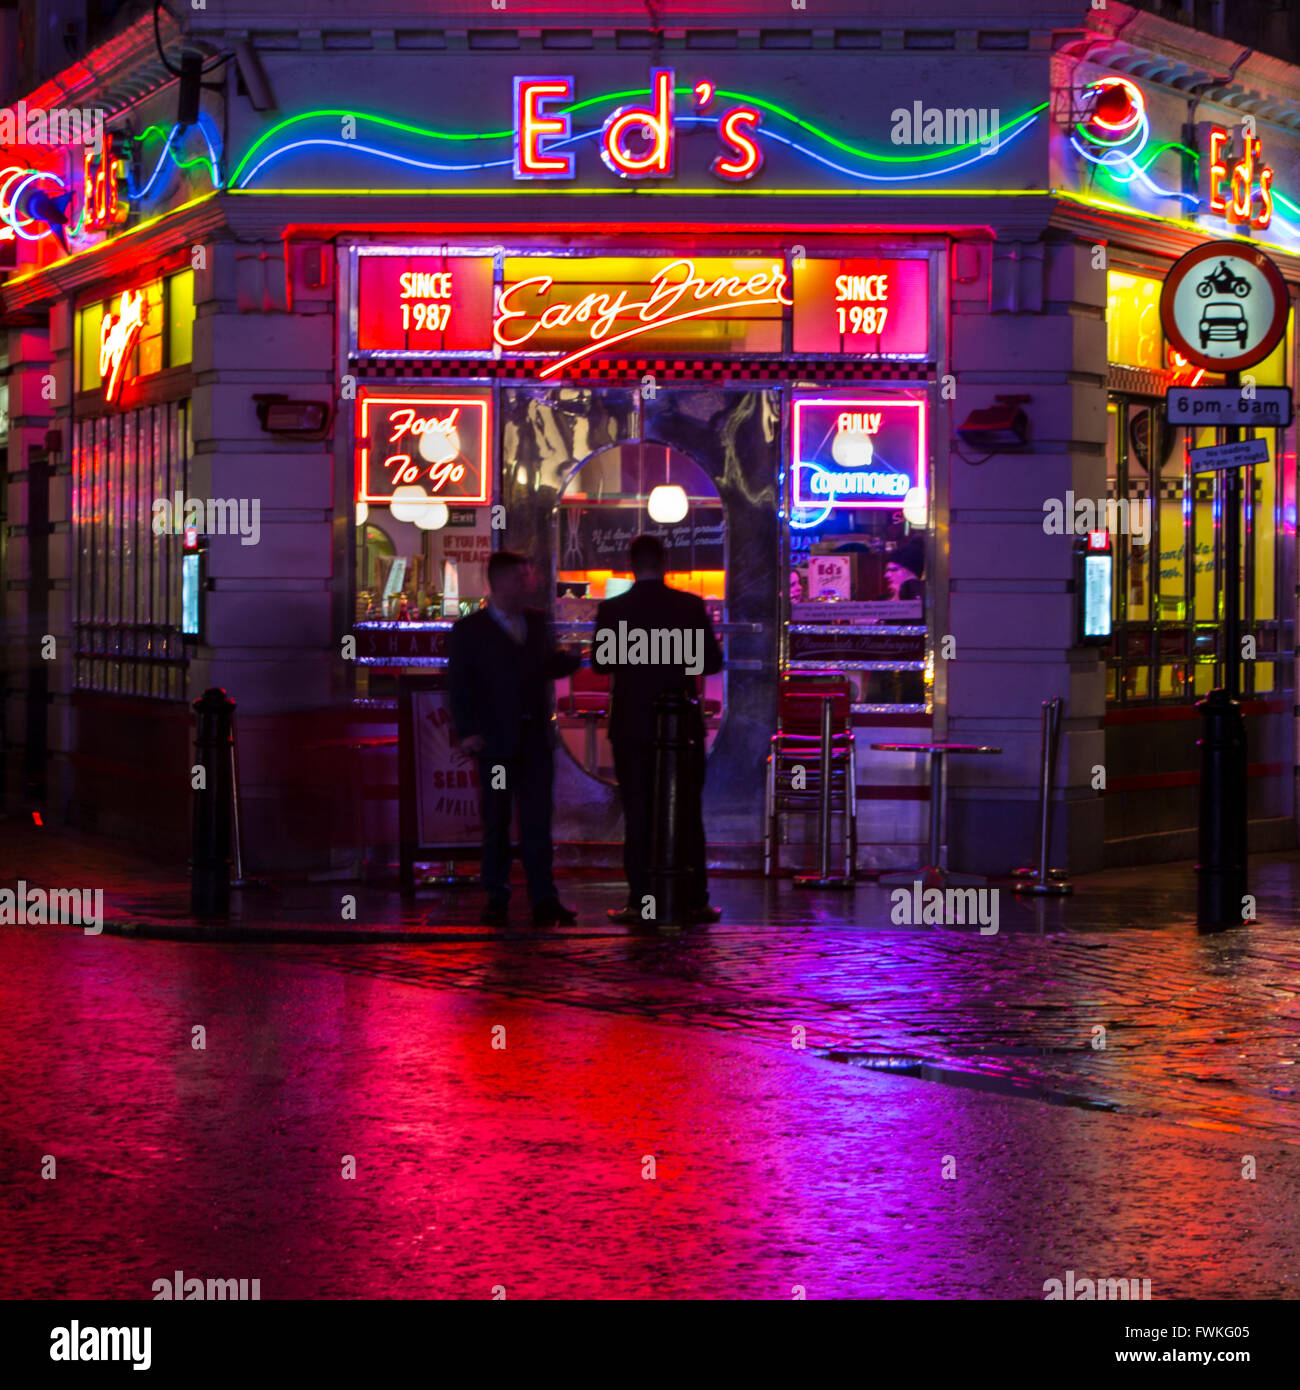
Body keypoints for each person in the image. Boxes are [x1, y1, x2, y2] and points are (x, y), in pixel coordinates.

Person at [593, 535, 724, 925]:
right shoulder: (689, 605)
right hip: (679, 725)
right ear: (664, 563)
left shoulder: (613, 609)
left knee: (638, 813)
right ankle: (694, 898)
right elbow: (712, 663)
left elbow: (601, 664)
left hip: (632, 725)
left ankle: (641, 901)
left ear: (631, 564)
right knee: (685, 811)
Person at [447, 551, 582, 927]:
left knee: (537, 819)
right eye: (520, 579)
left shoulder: (535, 623)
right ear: (498, 582)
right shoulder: (470, 630)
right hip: (496, 742)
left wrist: (571, 658)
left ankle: (543, 897)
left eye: (527, 578)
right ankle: (498, 894)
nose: (527, 585)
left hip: (533, 738)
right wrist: (469, 731)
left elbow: (543, 666)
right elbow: (459, 685)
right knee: (498, 819)